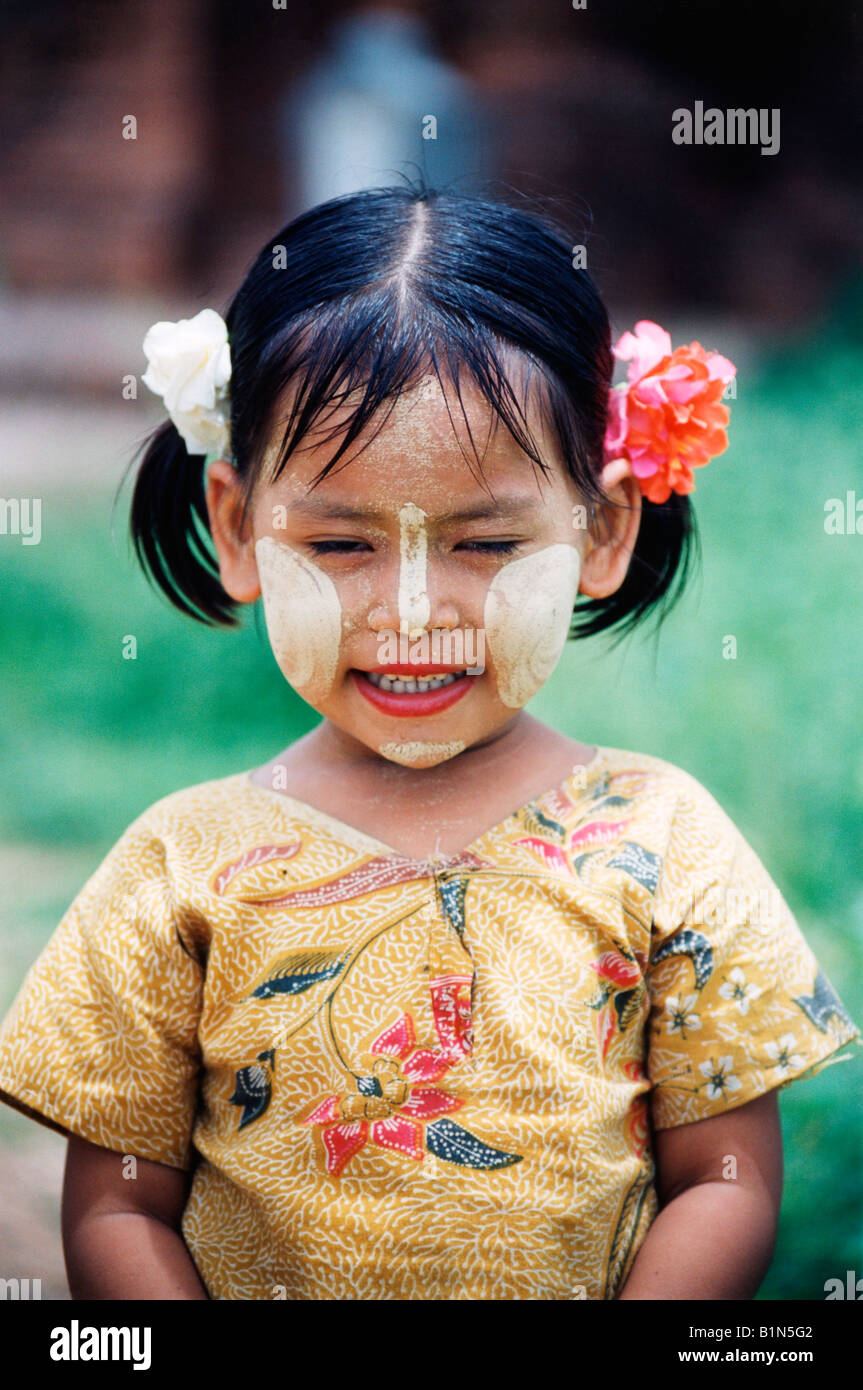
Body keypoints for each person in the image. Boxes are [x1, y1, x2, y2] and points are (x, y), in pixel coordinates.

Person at [0, 184, 859, 1301]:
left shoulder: (661, 842)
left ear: (600, 530)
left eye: (487, 540)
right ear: (235, 525)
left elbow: (725, 1178)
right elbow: (118, 1201)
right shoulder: (183, 864)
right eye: (343, 542)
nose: (411, 612)